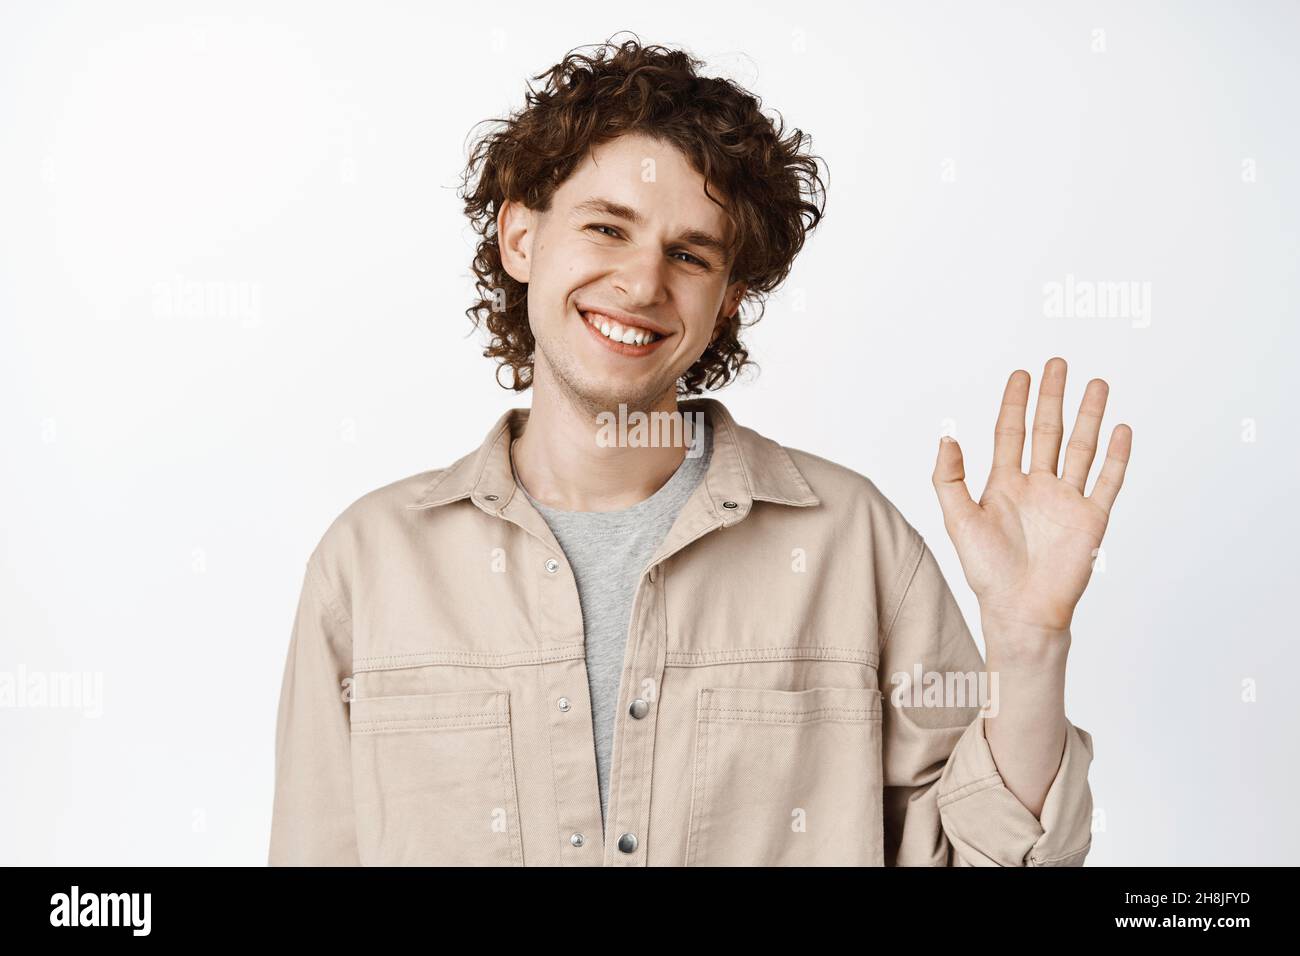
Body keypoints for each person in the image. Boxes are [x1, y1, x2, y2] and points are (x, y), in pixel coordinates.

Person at [268, 36, 1131, 866]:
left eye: (688, 254)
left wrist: (1027, 644)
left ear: (726, 301)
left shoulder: (852, 545)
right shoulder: (368, 563)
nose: (642, 284)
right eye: (607, 229)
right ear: (520, 238)